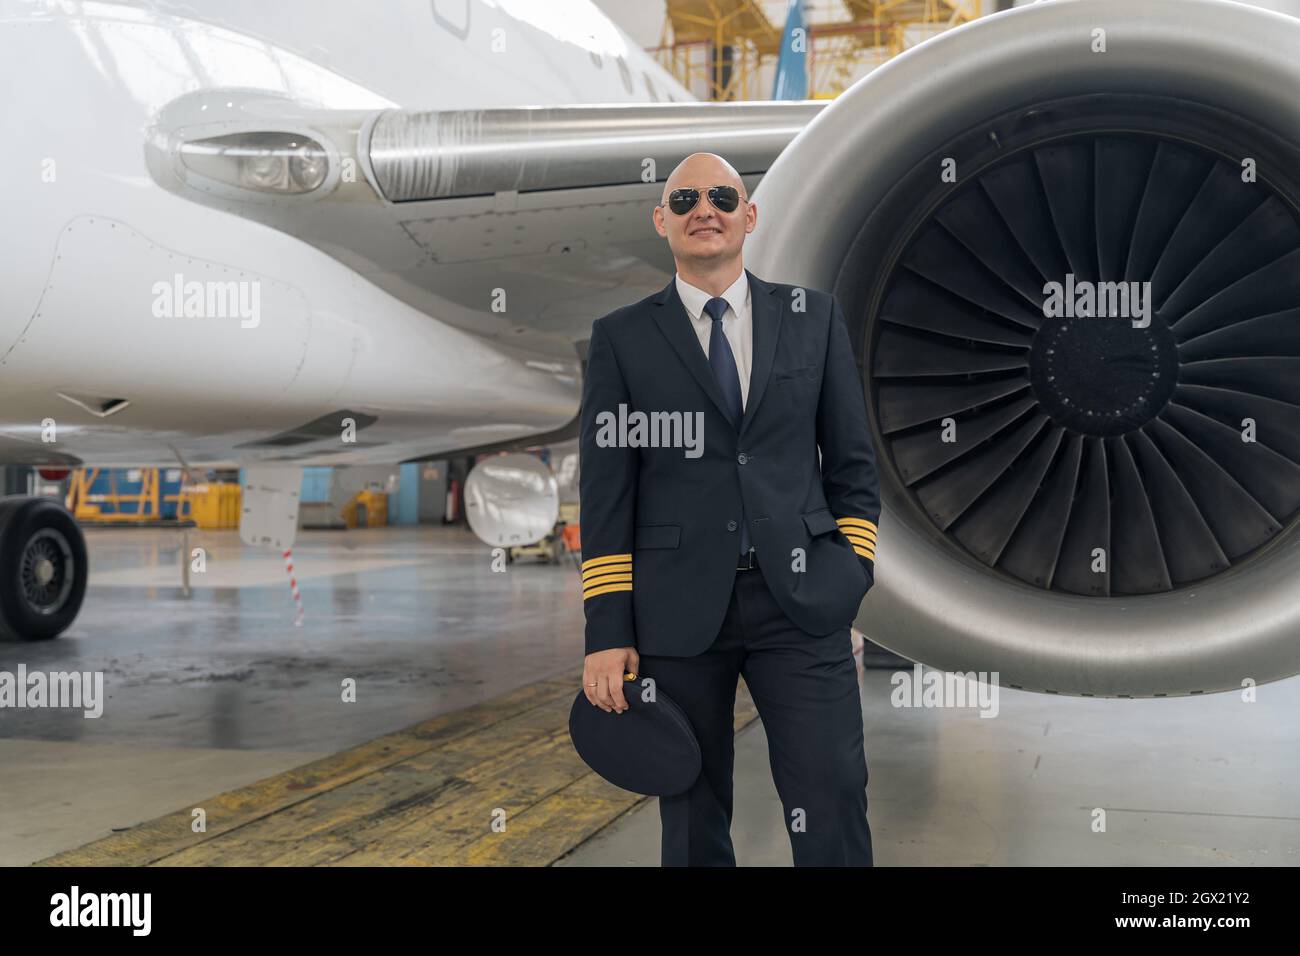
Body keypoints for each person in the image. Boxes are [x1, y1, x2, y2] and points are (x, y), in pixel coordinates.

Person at [578, 151, 880, 866]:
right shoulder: (622, 338)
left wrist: (850, 572)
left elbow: (852, 465)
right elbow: (607, 491)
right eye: (684, 200)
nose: (702, 209)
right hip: (675, 611)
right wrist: (606, 628)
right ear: (662, 222)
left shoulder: (813, 319)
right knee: (689, 805)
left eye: (720, 196)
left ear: (749, 216)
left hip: (800, 599)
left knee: (832, 789)